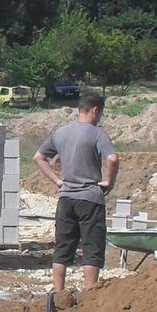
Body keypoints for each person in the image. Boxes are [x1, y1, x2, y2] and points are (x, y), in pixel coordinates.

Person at [34, 93, 120, 292]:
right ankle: (90, 293)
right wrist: (110, 182)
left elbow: (38, 157)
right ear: (95, 110)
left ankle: (58, 292)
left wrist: (57, 181)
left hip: (66, 198)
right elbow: (113, 159)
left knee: (63, 247)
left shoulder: (61, 132)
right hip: (90, 198)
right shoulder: (97, 134)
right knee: (92, 248)